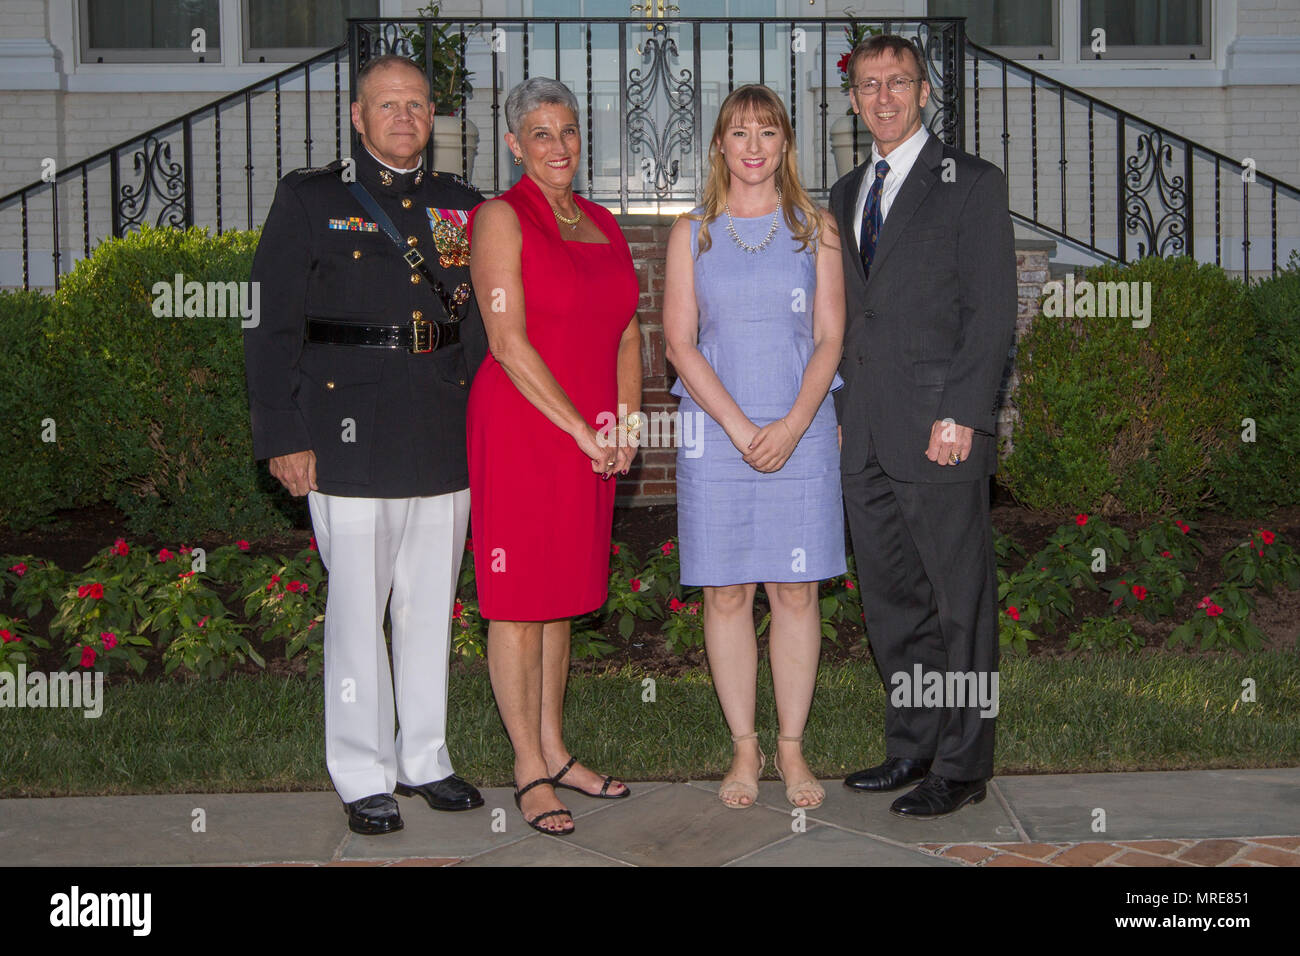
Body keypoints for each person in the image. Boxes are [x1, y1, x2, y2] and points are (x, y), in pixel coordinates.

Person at [245, 53, 487, 835]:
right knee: (357, 609)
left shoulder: (461, 205)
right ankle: (360, 769)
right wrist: (283, 434)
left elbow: (481, 327)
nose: (405, 117)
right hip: (344, 436)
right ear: (358, 116)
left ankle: (424, 756)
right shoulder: (311, 199)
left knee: (427, 608)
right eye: (388, 105)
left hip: (440, 430)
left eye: (417, 105)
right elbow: (269, 324)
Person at [830, 35, 1016, 817]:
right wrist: (838, 409)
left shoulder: (969, 184)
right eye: (869, 85)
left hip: (943, 431)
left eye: (898, 82)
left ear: (925, 91)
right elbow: (851, 315)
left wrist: (964, 414)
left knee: (957, 599)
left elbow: (992, 313)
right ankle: (911, 742)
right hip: (865, 432)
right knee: (893, 598)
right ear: (852, 99)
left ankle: (964, 761)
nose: (883, 97)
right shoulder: (843, 193)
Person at [466, 77, 642, 836]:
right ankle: (527, 768)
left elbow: (628, 332)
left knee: (562, 594)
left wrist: (626, 422)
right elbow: (507, 341)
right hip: (525, 426)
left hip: (592, 433)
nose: (559, 146)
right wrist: (579, 427)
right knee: (516, 601)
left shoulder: (602, 221)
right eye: (541, 133)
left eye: (568, 131)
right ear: (514, 144)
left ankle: (558, 749)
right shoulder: (499, 219)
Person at [663, 84, 846, 811]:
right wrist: (739, 428)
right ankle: (744, 748)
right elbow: (678, 342)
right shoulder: (692, 233)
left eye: (766, 133)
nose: (752, 146)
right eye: (738, 133)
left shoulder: (816, 228)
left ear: (784, 146)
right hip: (717, 437)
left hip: (800, 431)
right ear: (719, 145)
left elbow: (831, 336)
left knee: (796, 590)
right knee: (728, 590)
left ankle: (792, 749)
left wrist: (796, 422)